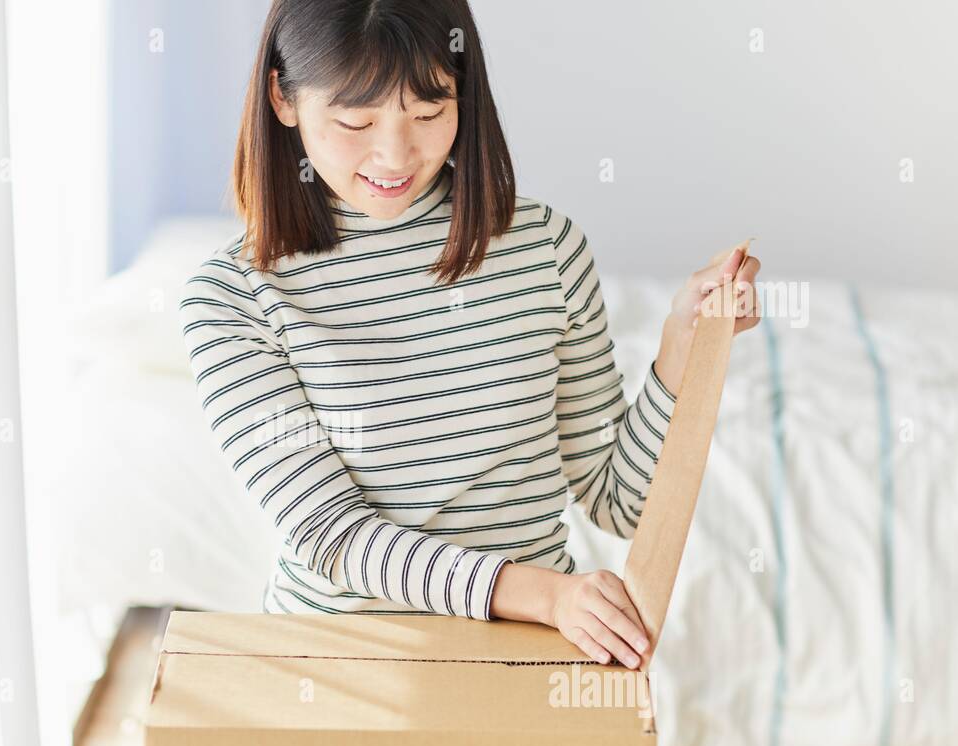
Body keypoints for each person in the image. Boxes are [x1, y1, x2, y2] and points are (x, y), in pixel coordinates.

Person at [179, 0, 761, 669]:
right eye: (354, 120)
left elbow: (618, 502)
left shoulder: (546, 248)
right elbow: (331, 534)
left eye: (429, 113)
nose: (395, 155)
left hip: (521, 665)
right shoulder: (233, 296)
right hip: (338, 668)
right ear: (283, 97)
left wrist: (683, 350)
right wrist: (545, 597)